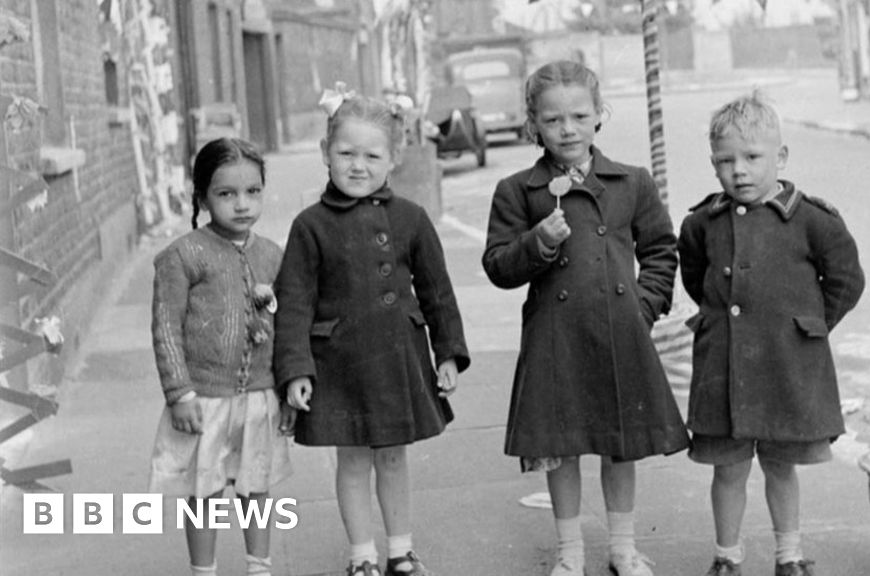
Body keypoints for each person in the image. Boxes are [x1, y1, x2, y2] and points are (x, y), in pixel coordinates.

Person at [482, 60, 689, 576]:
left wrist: (642, 307)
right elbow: (499, 266)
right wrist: (538, 242)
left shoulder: (631, 182)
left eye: (579, 116)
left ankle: (622, 547)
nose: (568, 129)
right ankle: (570, 551)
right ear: (533, 124)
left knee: (621, 444)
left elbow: (661, 251)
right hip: (555, 336)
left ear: (599, 115)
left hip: (619, 332)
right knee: (561, 447)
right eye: (553, 120)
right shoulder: (518, 190)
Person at [273, 84, 470, 576]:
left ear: (394, 158)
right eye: (346, 154)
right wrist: (296, 369)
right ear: (325, 152)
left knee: (393, 457)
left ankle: (400, 550)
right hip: (339, 363)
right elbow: (293, 305)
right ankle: (361, 555)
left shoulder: (411, 219)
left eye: (372, 155)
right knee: (353, 460)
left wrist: (447, 352)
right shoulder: (310, 226)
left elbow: (438, 292)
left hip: (397, 357)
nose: (358, 166)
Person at [677, 91, 865, 576]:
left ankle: (789, 555)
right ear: (713, 164)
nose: (738, 171)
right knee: (729, 468)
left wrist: (807, 326)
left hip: (786, 364)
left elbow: (846, 280)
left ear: (780, 157)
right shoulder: (701, 224)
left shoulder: (812, 220)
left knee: (781, 466)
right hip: (724, 368)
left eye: (752, 157)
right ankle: (727, 557)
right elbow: (696, 278)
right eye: (725, 161)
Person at [150, 137, 292, 576]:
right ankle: (204, 570)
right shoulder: (183, 256)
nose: (242, 204)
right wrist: (179, 393)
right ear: (202, 198)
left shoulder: (272, 255)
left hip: (259, 396)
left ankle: (259, 566)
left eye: (253, 191)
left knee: (256, 485)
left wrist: (288, 387)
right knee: (204, 491)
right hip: (203, 400)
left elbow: (288, 327)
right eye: (226, 193)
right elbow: (166, 327)